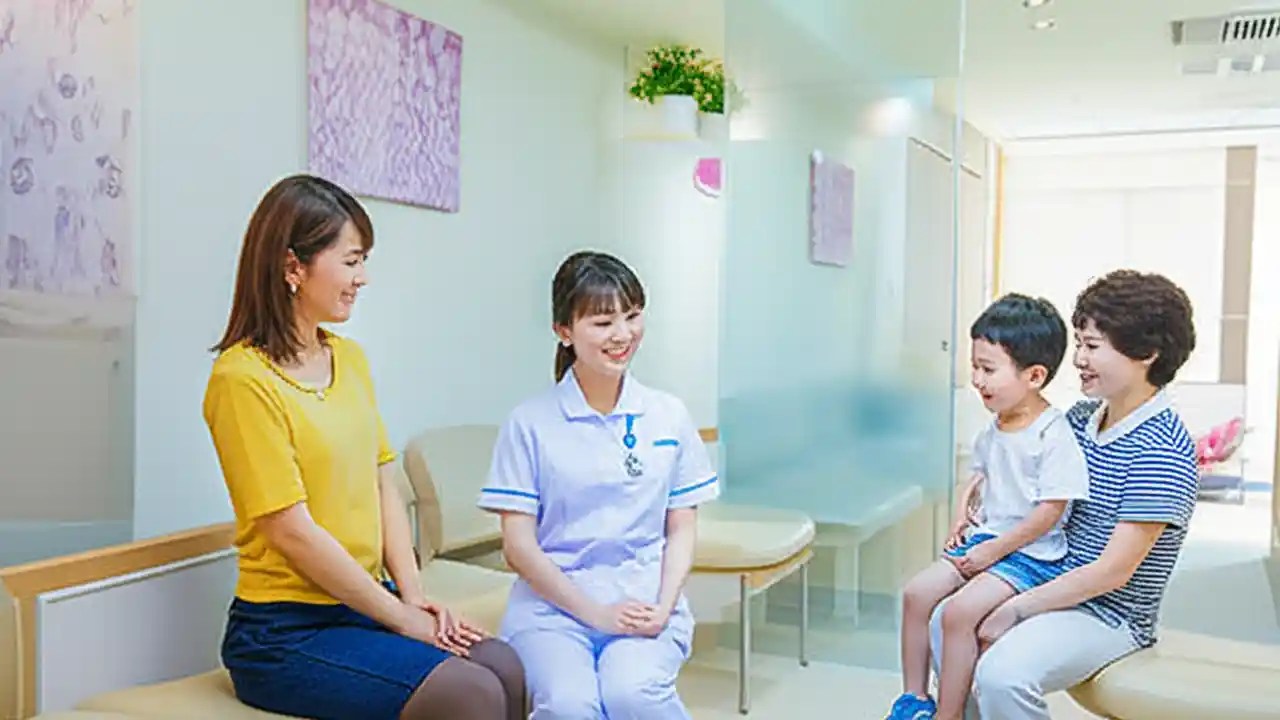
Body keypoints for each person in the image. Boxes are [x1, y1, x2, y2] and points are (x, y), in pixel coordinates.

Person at [203, 174, 525, 720]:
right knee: (471, 692)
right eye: (351, 261)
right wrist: (402, 619)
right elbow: (292, 531)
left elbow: (383, 484)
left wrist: (413, 594)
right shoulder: (241, 379)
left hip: (365, 602)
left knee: (504, 665)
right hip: (283, 632)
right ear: (293, 267)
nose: (363, 278)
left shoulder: (349, 359)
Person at [929, 270, 1199, 719]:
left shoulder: (1162, 449)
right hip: (1047, 576)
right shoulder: (1079, 418)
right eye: (1079, 343)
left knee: (1004, 674)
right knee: (944, 620)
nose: (1077, 359)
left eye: (1092, 346)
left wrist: (1015, 610)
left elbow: (1113, 572)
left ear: (1147, 353)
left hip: (1107, 613)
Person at [476, 250, 720, 719]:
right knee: (570, 706)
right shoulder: (530, 423)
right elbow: (519, 547)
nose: (623, 334)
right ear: (563, 331)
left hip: (643, 602)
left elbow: (681, 528)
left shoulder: (667, 415)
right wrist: (597, 614)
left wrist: (664, 605)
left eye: (632, 315)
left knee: (633, 694)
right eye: (603, 322)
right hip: (551, 612)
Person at [885, 294, 1090, 720]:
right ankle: (913, 700)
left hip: (1031, 556)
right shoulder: (994, 427)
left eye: (988, 369)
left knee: (958, 614)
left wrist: (993, 550)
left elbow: (1051, 512)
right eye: (974, 367)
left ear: (1034, 376)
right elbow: (976, 477)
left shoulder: (1053, 434)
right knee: (916, 594)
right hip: (986, 540)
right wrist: (961, 517)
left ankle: (948, 714)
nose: (977, 380)